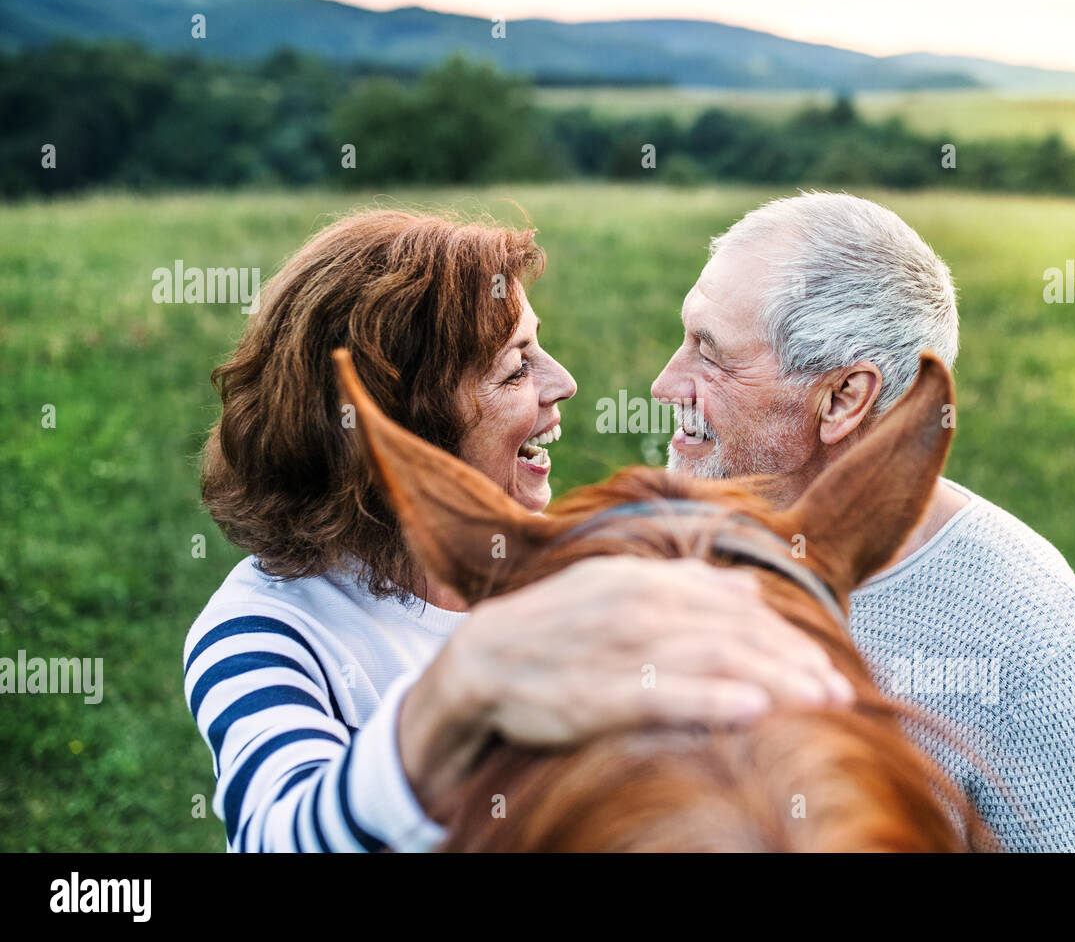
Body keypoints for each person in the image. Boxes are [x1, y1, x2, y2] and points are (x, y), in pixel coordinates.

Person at [185, 210, 854, 852]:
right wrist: (459, 692)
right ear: (406, 426)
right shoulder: (265, 626)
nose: (563, 382)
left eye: (541, 348)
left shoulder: (570, 567)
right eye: (515, 369)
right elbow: (275, 831)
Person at [651, 191, 1075, 851]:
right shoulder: (667, 541)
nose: (664, 383)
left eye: (710, 354)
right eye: (686, 338)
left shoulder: (1037, 648)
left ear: (842, 399)